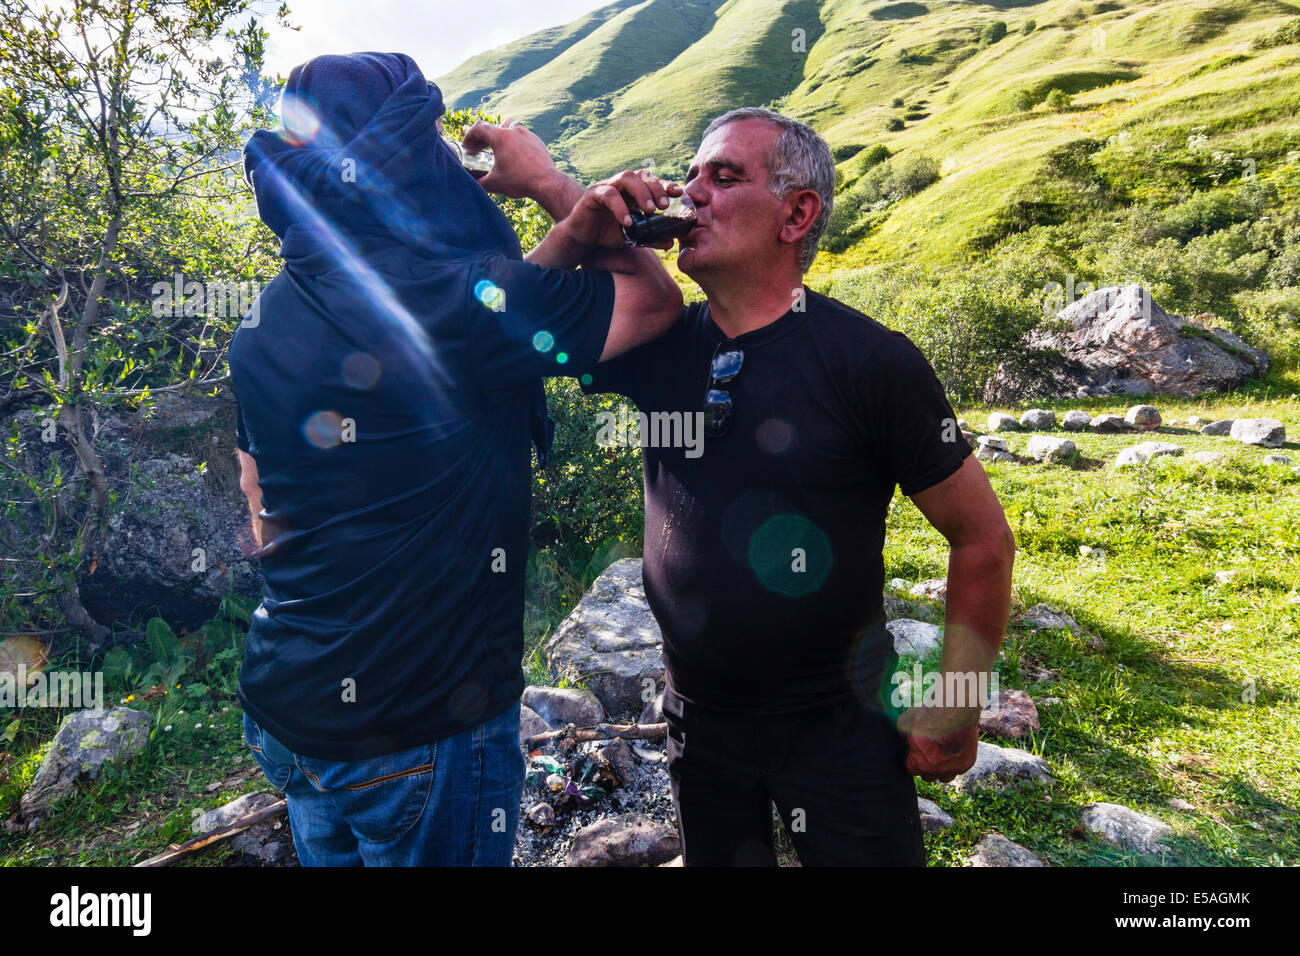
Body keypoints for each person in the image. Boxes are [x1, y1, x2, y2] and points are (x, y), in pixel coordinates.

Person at [228, 52, 682, 866]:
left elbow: (260, 489)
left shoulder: (267, 317)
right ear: (408, 155)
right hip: (419, 728)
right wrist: (550, 182)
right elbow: (652, 304)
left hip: (288, 707)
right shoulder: (451, 301)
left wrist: (574, 235)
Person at [541, 107, 1015, 865]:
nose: (693, 192)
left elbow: (982, 536)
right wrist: (576, 220)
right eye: (691, 174)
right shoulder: (657, 347)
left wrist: (957, 700)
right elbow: (504, 326)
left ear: (797, 214)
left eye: (724, 176)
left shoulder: (870, 362)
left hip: (840, 721)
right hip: (699, 720)